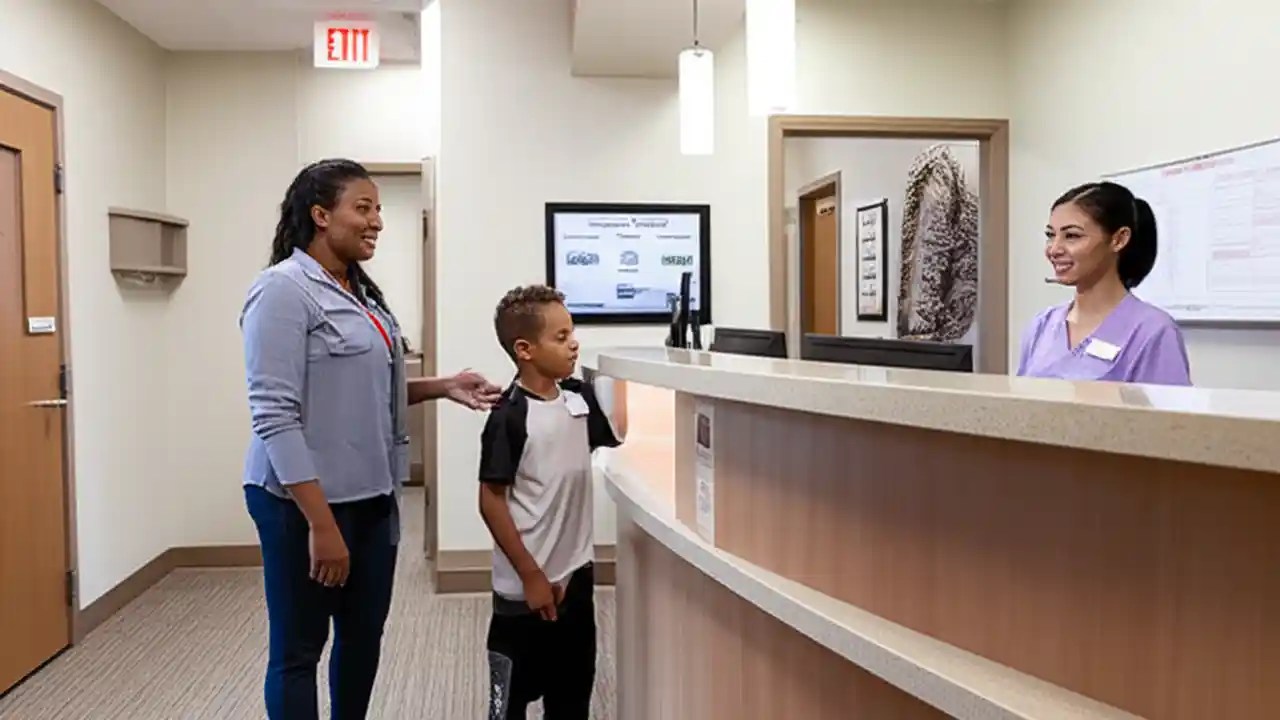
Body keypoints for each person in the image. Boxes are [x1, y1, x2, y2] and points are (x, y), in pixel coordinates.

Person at [240, 158, 501, 720]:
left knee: (362, 641)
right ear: (319, 215)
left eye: (379, 208)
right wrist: (321, 525)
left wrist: (442, 386)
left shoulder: (361, 295)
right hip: (299, 504)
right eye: (363, 207)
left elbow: (366, 388)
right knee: (299, 651)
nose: (377, 220)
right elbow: (275, 416)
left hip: (371, 498)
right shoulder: (283, 291)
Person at [477, 285, 628, 720]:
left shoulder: (578, 400)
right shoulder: (509, 415)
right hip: (525, 588)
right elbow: (490, 500)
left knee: (571, 697)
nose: (574, 342)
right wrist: (531, 575)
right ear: (524, 349)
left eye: (572, 332)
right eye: (560, 337)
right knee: (509, 703)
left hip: (575, 581)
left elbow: (618, 431)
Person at [1017, 181, 1191, 385]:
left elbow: (1168, 415)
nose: (1054, 249)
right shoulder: (1042, 325)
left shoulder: (1153, 331)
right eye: (1050, 235)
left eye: (1072, 236)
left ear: (1118, 240)